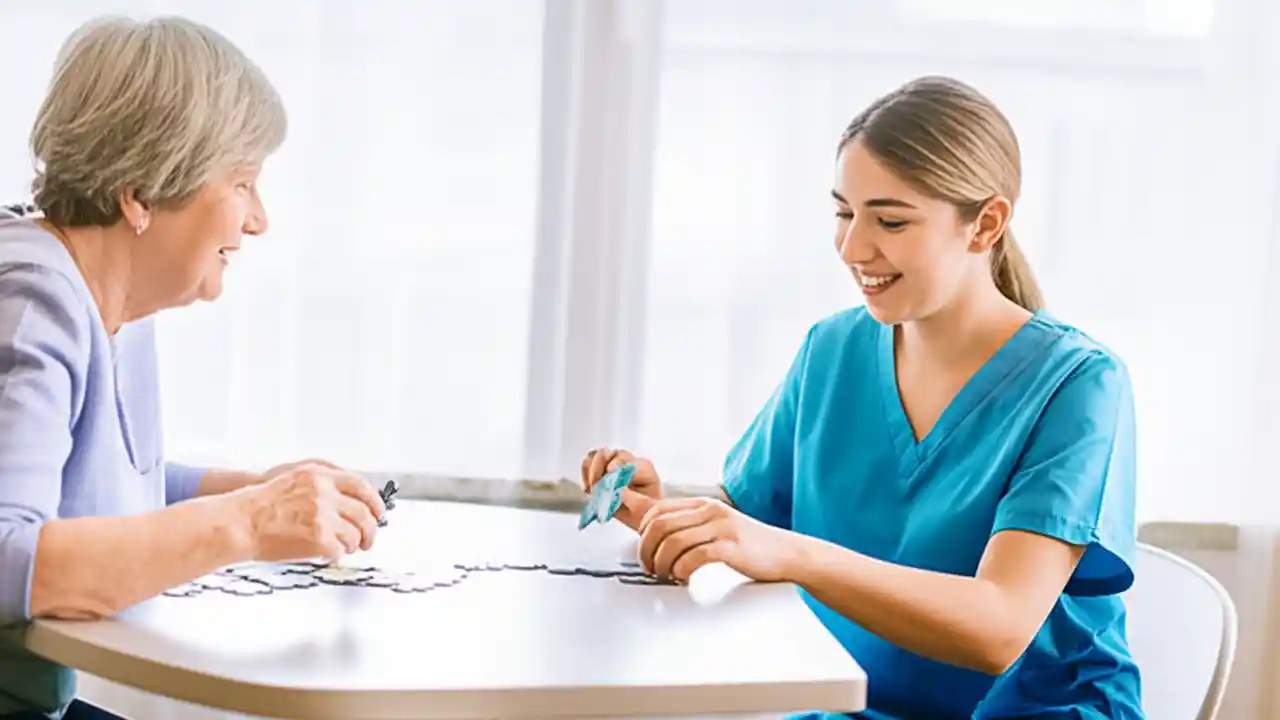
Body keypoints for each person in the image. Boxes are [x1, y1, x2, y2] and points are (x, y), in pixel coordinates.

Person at [582, 76, 1142, 719]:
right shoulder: (831, 351)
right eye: (844, 213)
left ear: (986, 223)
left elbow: (999, 627)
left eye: (891, 220)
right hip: (858, 704)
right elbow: (749, 524)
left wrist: (792, 554)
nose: (853, 248)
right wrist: (668, 514)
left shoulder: (1078, 384)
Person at [0, 17, 386, 718]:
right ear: (141, 193)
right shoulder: (32, 303)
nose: (259, 219)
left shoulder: (116, 300)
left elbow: (96, 488)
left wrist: (263, 493)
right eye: (242, 184)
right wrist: (246, 523)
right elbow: (5, 559)